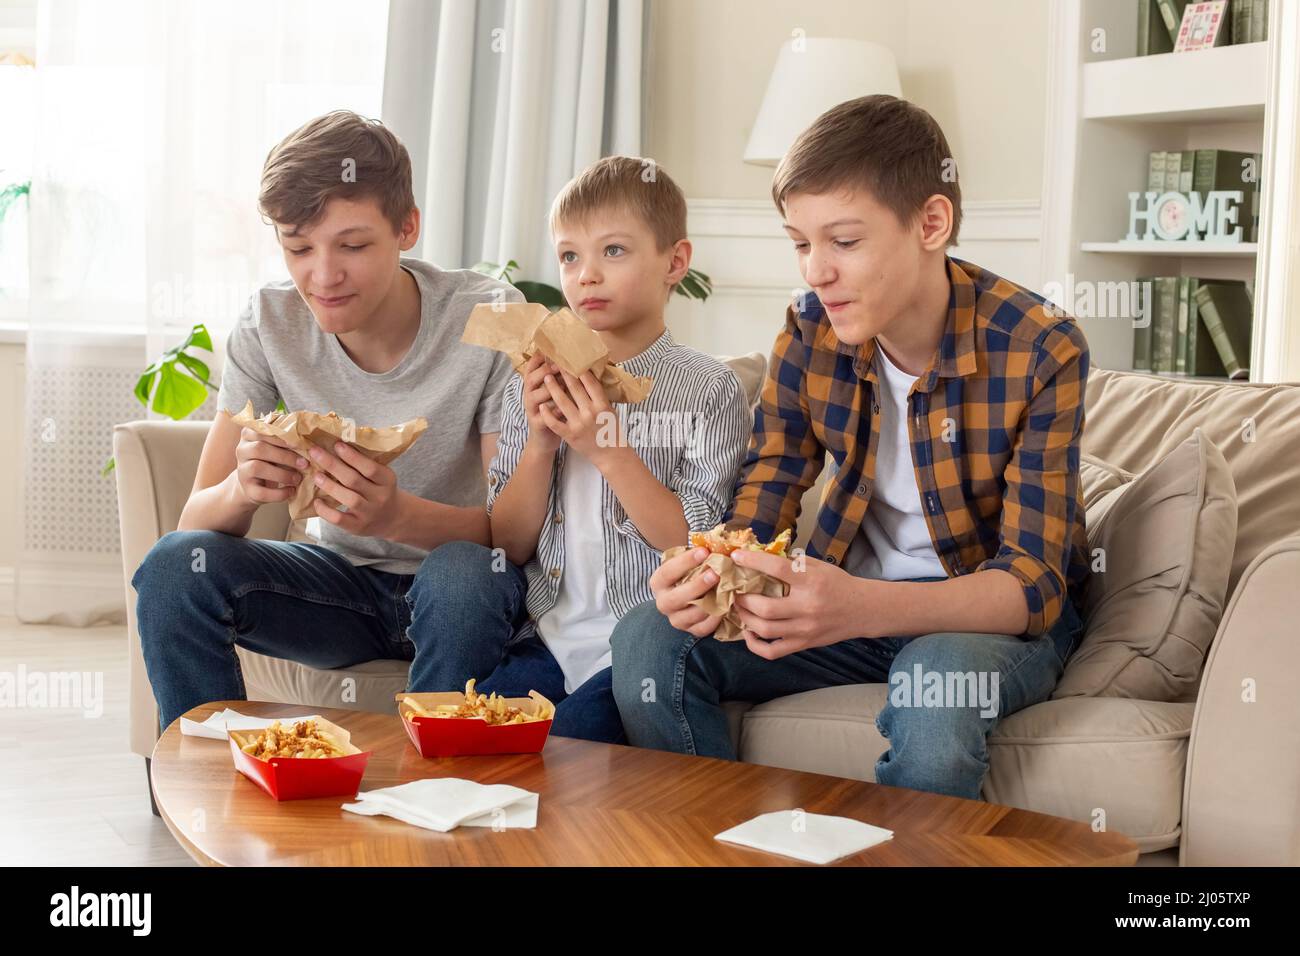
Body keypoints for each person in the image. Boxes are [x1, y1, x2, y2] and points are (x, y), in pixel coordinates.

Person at [610, 95, 1091, 799]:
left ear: (931, 223)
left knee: (936, 694)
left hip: (979, 621)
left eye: (843, 241)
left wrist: (862, 605)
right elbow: (766, 489)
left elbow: (1034, 585)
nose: (815, 272)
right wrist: (705, 573)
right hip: (840, 604)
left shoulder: (1040, 346)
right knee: (648, 640)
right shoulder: (811, 330)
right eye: (800, 243)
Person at [133, 110, 521, 732]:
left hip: (461, 588)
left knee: (466, 572)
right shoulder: (270, 323)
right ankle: (202, 786)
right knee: (178, 564)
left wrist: (398, 517)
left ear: (407, 228)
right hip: (336, 590)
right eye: (298, 247)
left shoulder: (488, 317)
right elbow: (194, 522)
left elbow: (515, 535)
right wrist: (243, 487)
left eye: (354, 245)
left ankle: (435, 794)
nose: (323, 275)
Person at [407, 156, 752, 742]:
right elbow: (509, 544)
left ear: (675, 261)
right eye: (570, 256)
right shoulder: (537, 378)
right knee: (463, 742)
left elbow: (696, 547)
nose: (586, 274)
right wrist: (541, 444)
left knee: (564, 755)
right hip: (545, 638)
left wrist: (608, 449)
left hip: (636, 648)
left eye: (612, 251)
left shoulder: (707, 388)